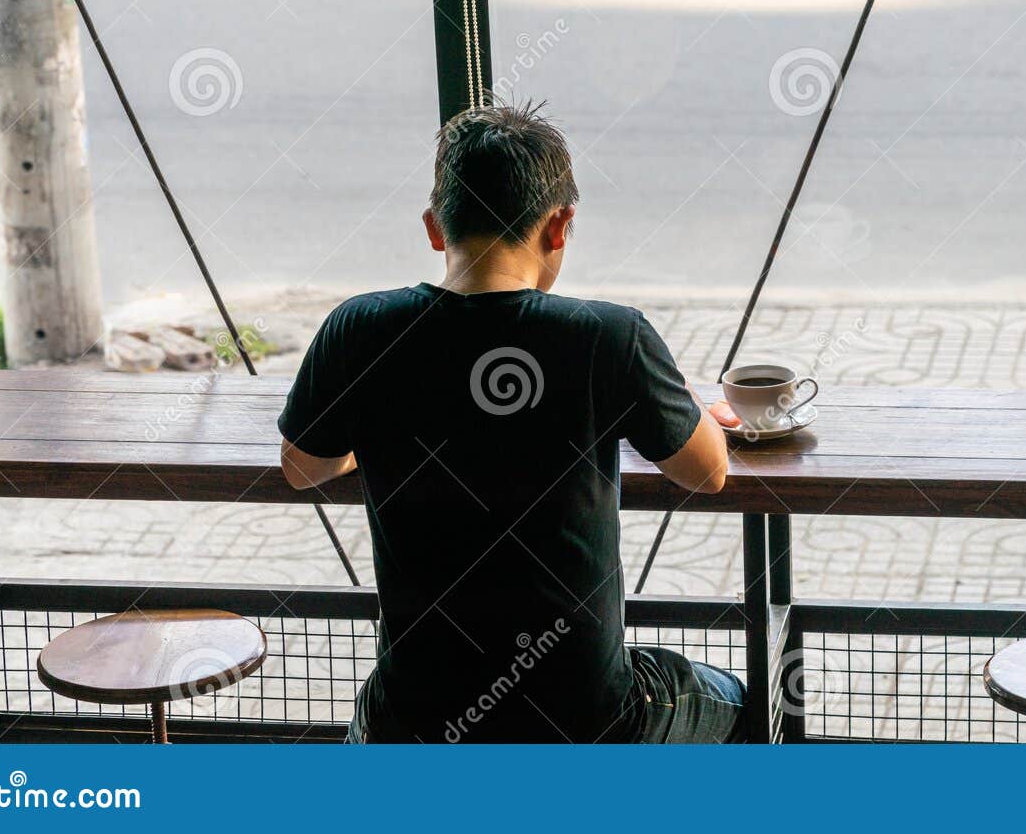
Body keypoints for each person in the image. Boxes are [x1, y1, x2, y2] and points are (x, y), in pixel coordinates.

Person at [278, 102, 742, 743]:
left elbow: (304, 468)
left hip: (415, 720)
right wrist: (684, 396)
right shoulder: (610, 337)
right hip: (587, 722)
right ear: (560, 226)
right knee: (737, 697)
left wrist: (372, 434)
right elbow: (706, 472)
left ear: (436, 229)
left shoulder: (358, 331)